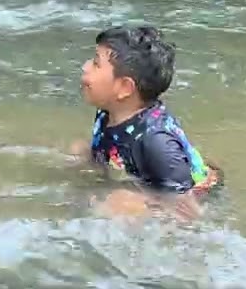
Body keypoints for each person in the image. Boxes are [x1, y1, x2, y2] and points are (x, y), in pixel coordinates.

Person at [67, 25, 221, 220]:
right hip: (155, 170)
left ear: (124, 87)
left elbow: (188, 209)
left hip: (195, 191)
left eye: (96, 63)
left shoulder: (156, 141)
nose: (85, 66)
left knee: (118, 201)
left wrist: (144, 206)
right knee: (79, 151)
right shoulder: (110, 110)